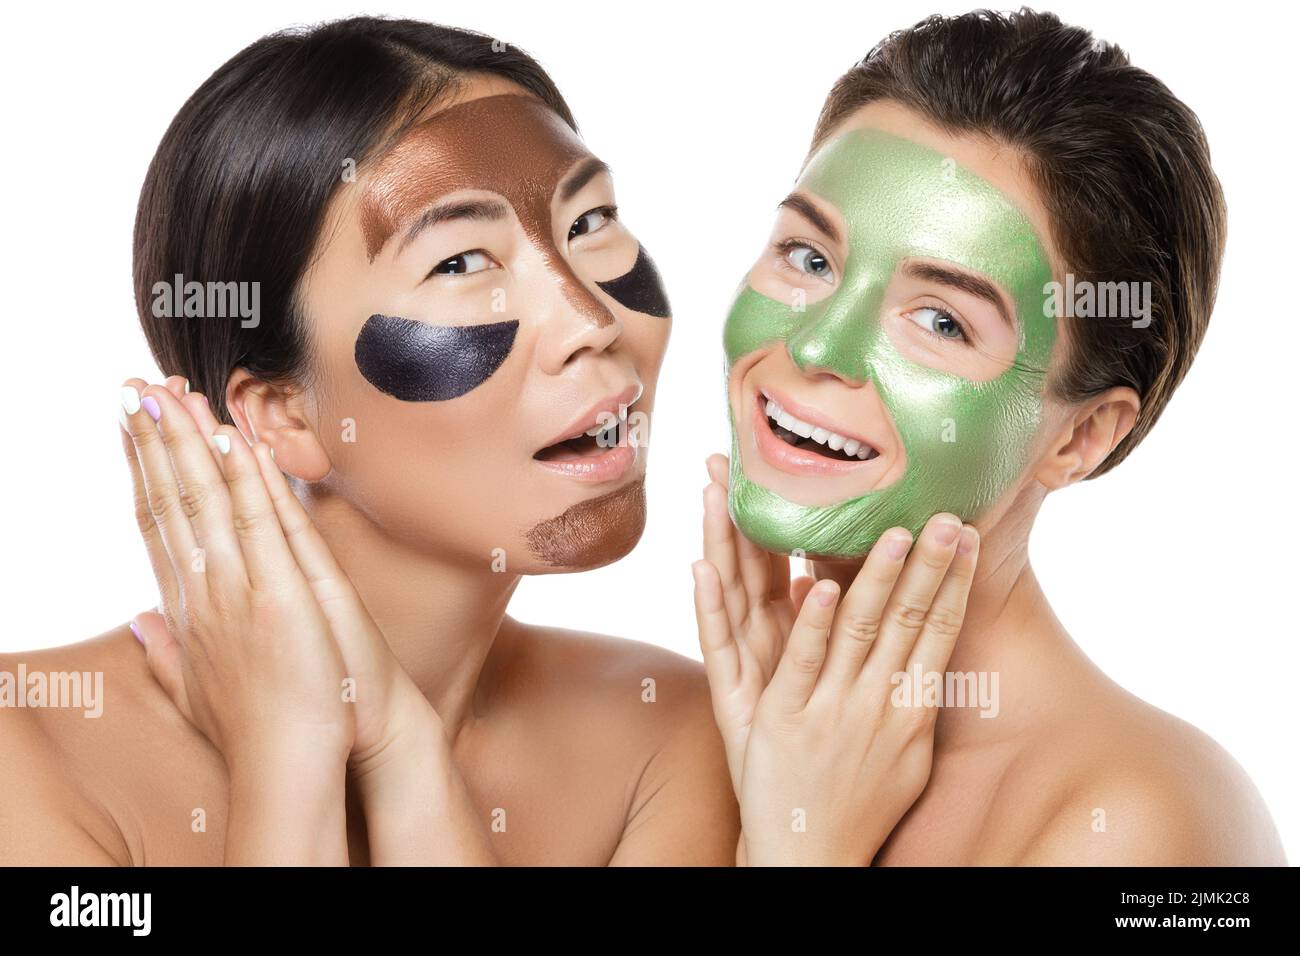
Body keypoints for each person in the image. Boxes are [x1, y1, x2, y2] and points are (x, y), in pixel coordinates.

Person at [0, 16, 737, 865]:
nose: (593, 319)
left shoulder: (664, 734)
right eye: (461, 263)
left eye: (589, 222)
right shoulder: (26, 753)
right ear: (281, 414)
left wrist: (403, 757)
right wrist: (289, 759)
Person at [693, 9, 1286, 865]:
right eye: (810, 258)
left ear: (1081, 435)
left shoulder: (1151, 824)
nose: (817, 345)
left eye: (939, 319)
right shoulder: (700, 730)